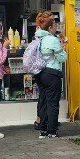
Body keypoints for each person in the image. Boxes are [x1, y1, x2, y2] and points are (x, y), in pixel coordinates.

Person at [34, 11, 67, 139]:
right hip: (52, 74)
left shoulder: (37, 37)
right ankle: (52, 131)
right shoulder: (52, 40)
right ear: (49, 27)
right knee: (53, 103)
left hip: (40, 73)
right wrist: (63, 48)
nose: (56, 28)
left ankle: (43, 130)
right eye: (54, 26)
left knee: (44, 101)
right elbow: (62, 58)